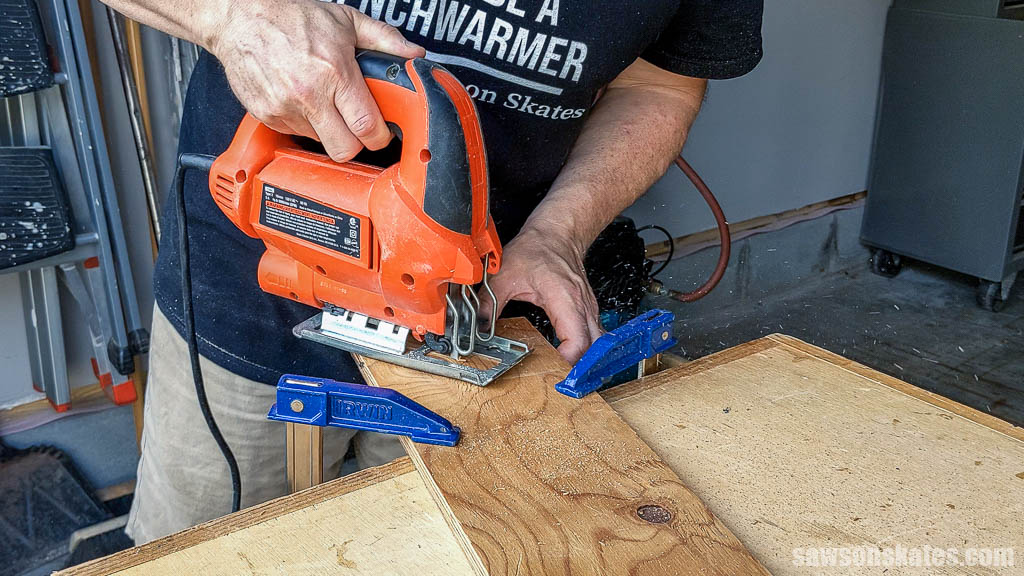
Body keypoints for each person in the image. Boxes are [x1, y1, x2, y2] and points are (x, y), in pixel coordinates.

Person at [98, 0, 764, 543]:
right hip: (244, 300)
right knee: (204, 553)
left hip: (480, 305)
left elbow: (660, 85)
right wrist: (236, 17)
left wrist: (557, 234)